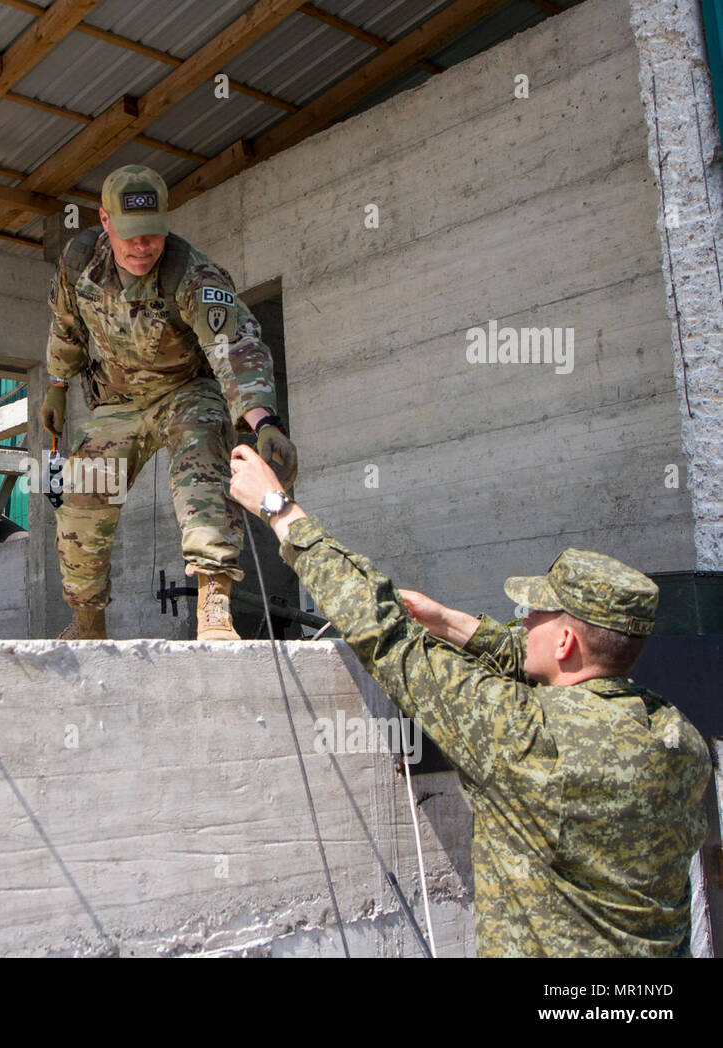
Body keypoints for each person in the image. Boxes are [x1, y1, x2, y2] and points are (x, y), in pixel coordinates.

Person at [228, 444, 712, 956]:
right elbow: (535, 659)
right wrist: (449, 622)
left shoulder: (525, 734)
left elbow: (386, 635)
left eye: (536, 613)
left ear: (566, 642)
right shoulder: (679, 737)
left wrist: (279, 509)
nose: (524, 619)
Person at [41, 164, 297, 640]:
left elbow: (234, 347)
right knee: (80, 498)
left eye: (153, 234)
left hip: (186, 392)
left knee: (204, 471)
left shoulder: (192, 273)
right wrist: (57, 383)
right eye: (131, 235)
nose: (143, 246)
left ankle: (214, 606)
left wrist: (265, 421)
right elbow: (66, 324)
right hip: (119, 402)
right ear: (105, 221)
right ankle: (88, 620)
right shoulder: (79, 264)